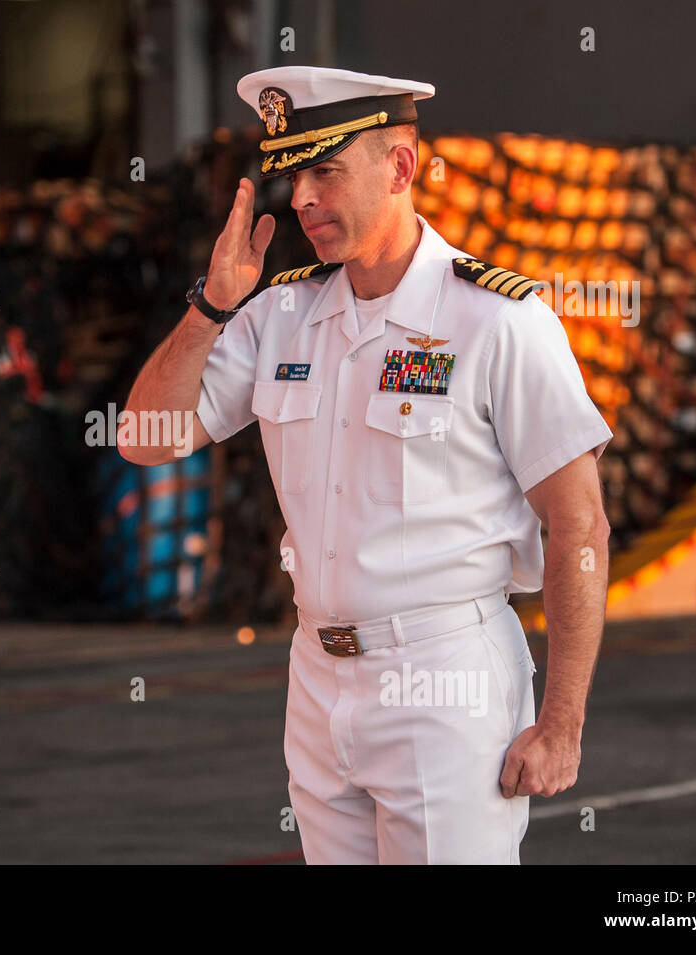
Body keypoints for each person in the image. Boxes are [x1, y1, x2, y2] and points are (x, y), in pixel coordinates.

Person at [120, 66, 613, 864]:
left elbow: (579, 522)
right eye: (294, 176)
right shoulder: (281, 314)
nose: (302, 199)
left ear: (401, 167)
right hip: (318, 675)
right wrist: (212, 305)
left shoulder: (497, 321)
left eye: (325, 170)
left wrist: (560, 724)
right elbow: (145, 437)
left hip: (446, 679)